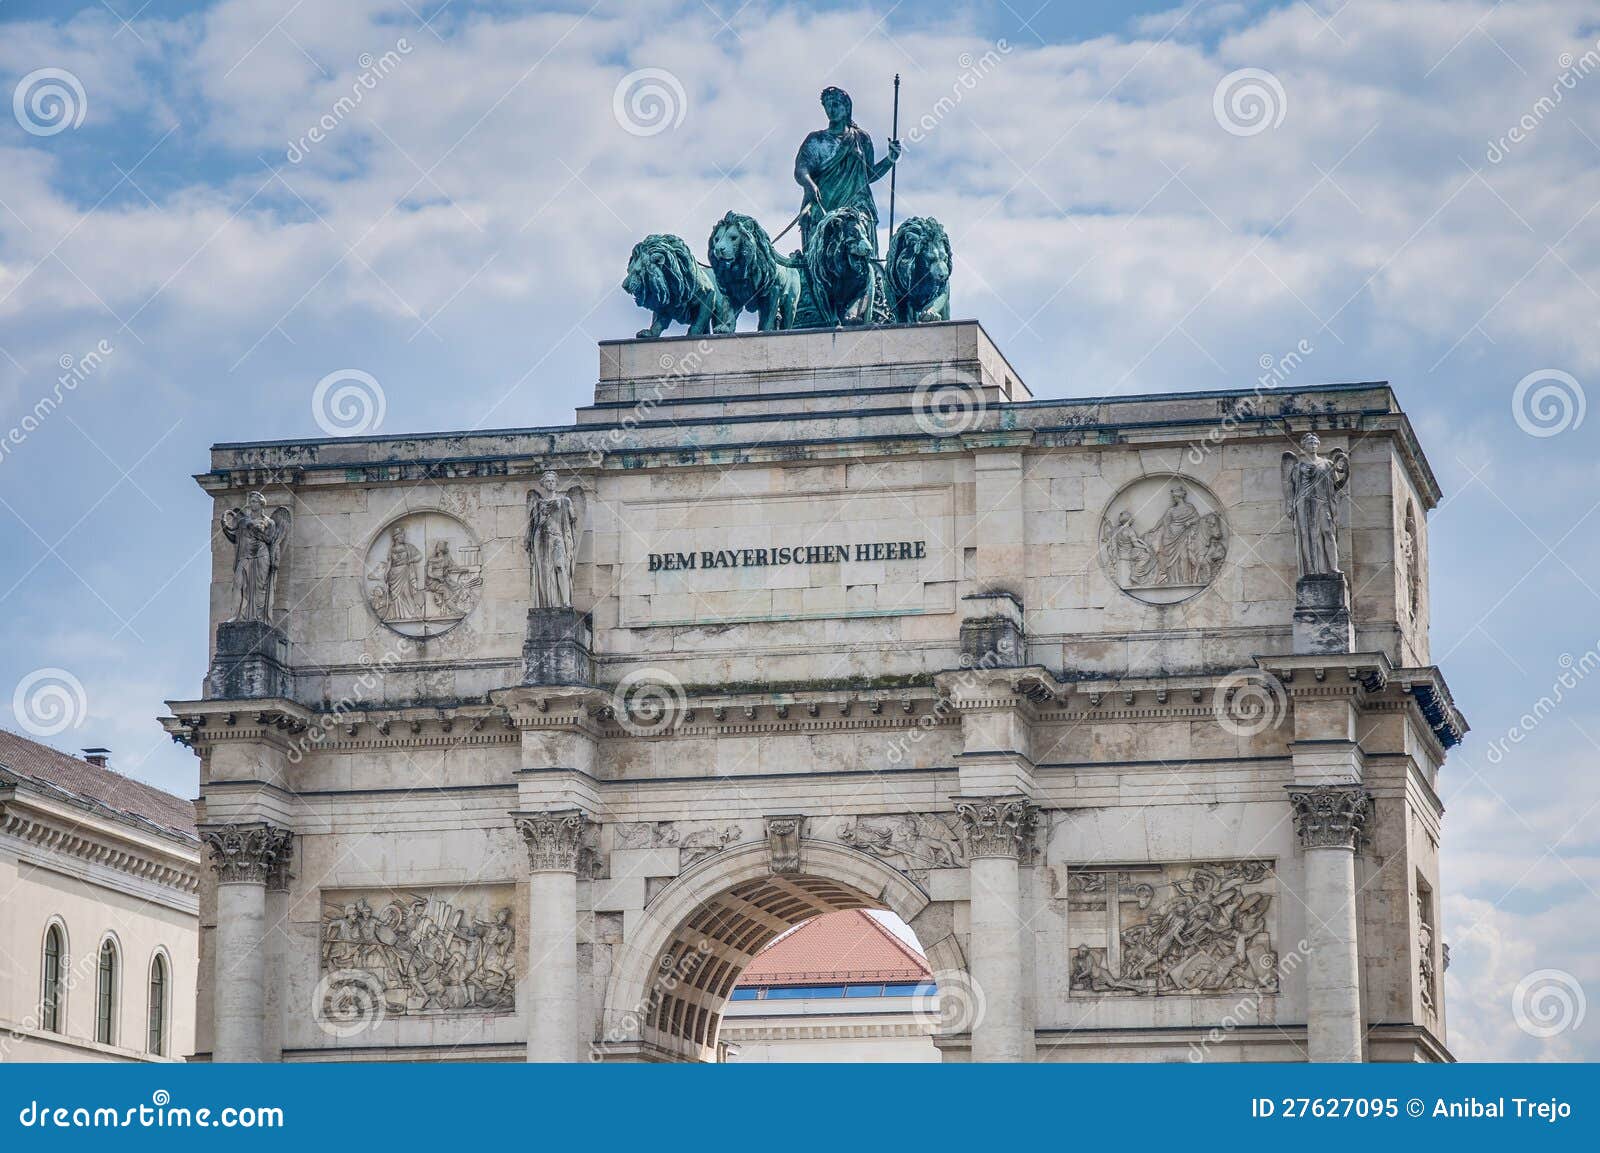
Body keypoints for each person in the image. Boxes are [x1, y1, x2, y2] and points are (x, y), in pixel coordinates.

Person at [793, 86, 901, 254]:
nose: (831, 109)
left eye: (835, 104)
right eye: (827, 105)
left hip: (857, 205)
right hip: (824, 204)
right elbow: (801, 170)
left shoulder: (861, 138)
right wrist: (810, 184)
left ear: (846, 107)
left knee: (862, 248)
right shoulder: (816, 139)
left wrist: (889, 160)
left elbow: (868, 175)